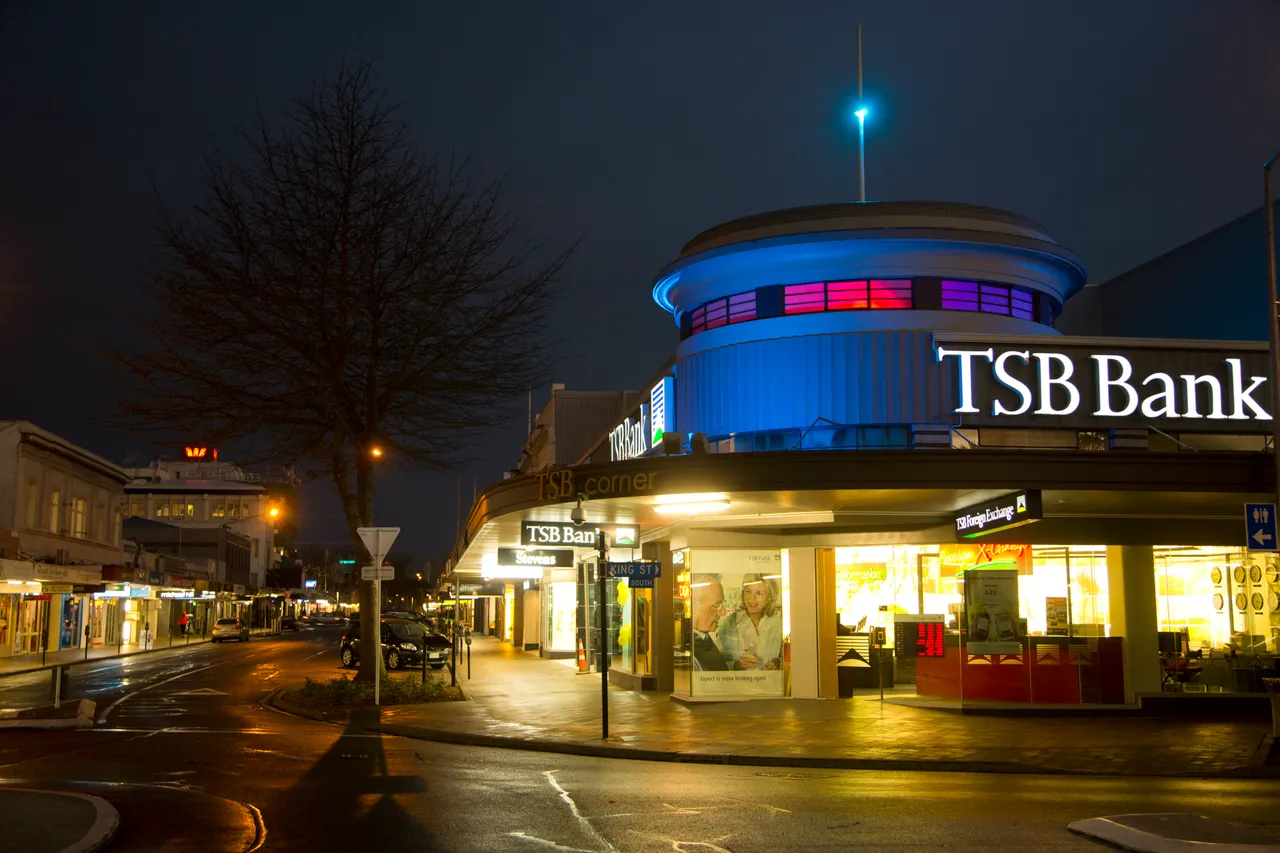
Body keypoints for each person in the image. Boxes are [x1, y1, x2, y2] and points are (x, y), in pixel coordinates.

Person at [719, 574, 783, 670]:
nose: (751, 598)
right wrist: (736, 664)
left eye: (759, 593)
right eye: (748, 592)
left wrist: (778, 662)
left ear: (768, 598)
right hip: (740, 683)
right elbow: (717, 660)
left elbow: (790, 655)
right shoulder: (730, 622)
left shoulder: (778, 622)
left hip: (770, 683)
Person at [690, 573, 728, 671]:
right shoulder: (691, 650)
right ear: (694, 606)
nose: (723, 612)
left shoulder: (703, 638)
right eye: (716, 606)